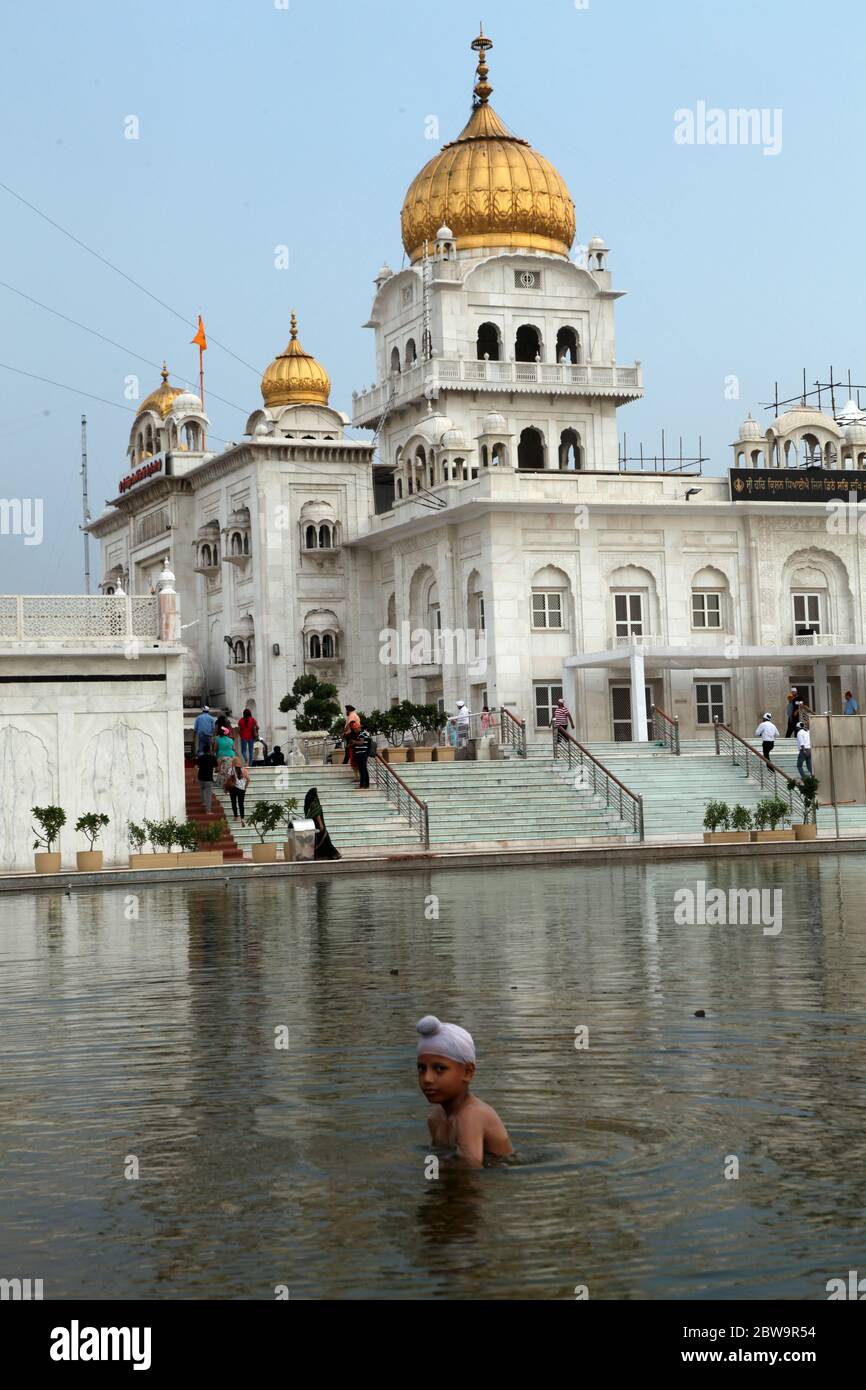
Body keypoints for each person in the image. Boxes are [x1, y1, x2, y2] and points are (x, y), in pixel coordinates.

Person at [416, 1014, 513, 1168]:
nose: (427, 1078)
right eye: (422, 1068)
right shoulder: (435, 1118)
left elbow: (469, 1172)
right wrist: (431, 1187)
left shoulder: (471, 1115)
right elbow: (434, 1163)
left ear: (467, 1072)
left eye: (439, 1068)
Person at [303, 786, 341, 859]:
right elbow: (317, 815)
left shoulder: (308, 805)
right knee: (326, 840)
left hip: (312, 826)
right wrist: (321, 824)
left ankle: (322, 856)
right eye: (316, 793)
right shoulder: (315, 803)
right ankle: (333, 854)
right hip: (318, 825)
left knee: (319, 841)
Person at [225, 755, 250, 825]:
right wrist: (245, 786)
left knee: (233, 802)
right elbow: (248, 779)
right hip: (242, 789)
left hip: (233, 788)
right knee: (241, 804)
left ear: (233, 762)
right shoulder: (243, 769)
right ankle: (242, 818)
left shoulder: (231, 769)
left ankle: (236, 816)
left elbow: (228, 779)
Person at [196, 745, 218, 814]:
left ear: (203, 751)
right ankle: (208, 810)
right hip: (208, 778)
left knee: (202, 790)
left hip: (200, 778)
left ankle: (204, 802)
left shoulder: (200, 758)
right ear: (210, 750)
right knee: (208, 795)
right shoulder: (213, 758)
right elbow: (217, 768)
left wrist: (194, 777)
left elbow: (195, 767)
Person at [342, 705, 361, 778]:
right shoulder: (353, 715)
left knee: (348, 749)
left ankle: (345, 762)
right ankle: (345, 762)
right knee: (347, 750)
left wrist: (344, 733)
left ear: (348, 710)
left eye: (346, 710)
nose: (346, 712)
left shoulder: (352, 715)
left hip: (352, 735)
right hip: (351, 735)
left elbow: (349, 726)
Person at [351, 724, 372, 789]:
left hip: (361, 754)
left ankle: (362, 785)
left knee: (362, 769)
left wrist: (353, 741)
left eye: (355, 729)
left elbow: (361, 742)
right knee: (364, 769)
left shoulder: (362, 734)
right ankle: (366, 784)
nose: (354, 731)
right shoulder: (363, 733)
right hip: (362, 754)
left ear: (358, 728)